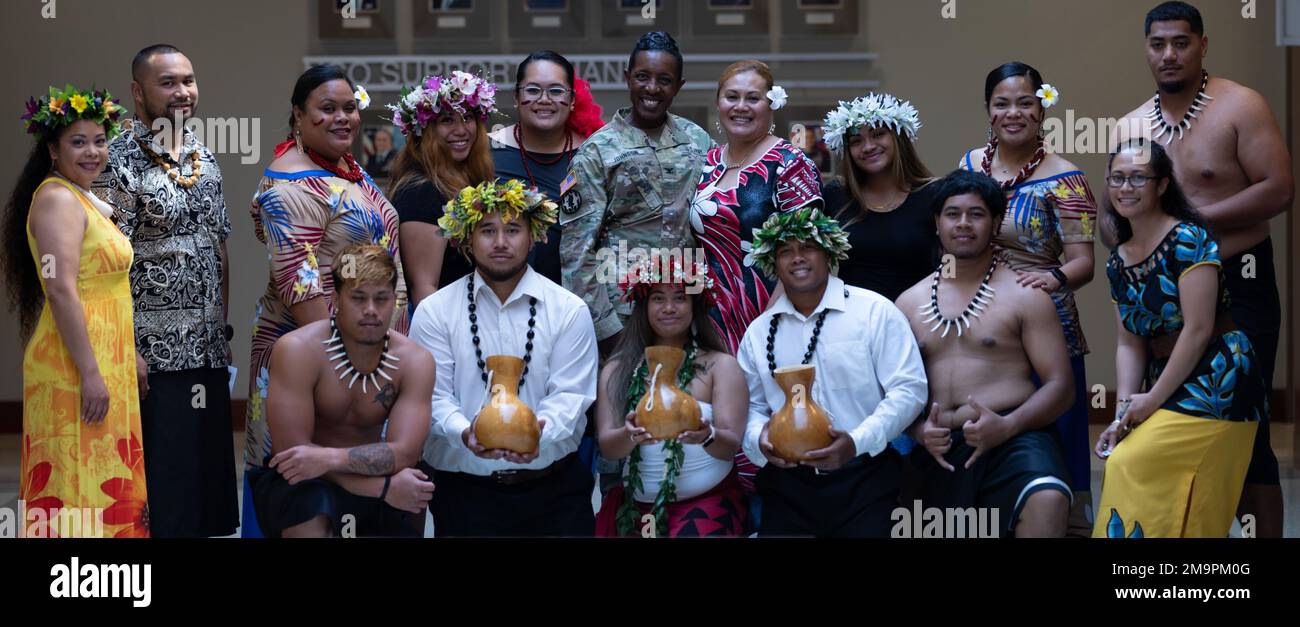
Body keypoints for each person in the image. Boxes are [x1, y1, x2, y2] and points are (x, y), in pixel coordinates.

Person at [1102, 1, 1291, 537]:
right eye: (1158, 44)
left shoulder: (1241, 106)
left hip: (1242, 277)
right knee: (1169, 424)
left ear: (1202, 45)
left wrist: (1186, 227)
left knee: (1245, 430)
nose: (1169, 54)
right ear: (1146, 49)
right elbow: (1112, 219)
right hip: (1161, 292)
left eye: (1181, 42)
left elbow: (1279, 189)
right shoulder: (1132, 125)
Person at [90, 44, 237, 538]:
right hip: (153, 356)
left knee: (205, 490)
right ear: (137, 91)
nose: (183, 92)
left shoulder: (204, 154)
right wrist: (125, 350)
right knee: (164, 492)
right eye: (168, 82)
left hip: (207, 350)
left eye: (188, 80)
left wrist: (223, 329)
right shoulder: (114, 157)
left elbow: (219, 248)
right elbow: (105, 262)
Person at [243, 65, 406, 496]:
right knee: (317, 493)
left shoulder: (341, 166)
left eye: (350, 108)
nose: (343, 118)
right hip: (323, 363)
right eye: (327, 108)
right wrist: (348, 376)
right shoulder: (289, 188)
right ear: (298, 116)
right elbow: (304, 290)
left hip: (368, 351)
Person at [1095, 139, 1265, 537]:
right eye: (1117, 178)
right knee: (1127, 460)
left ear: (1162, 185)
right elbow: (1129, 342)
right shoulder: (1118, 260)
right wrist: (1122, 413)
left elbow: (1199, 327)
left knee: (1130, 463)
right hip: (1167, 376)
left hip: (1218, 375)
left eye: (1138, 177)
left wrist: (1152, 400)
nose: (1125, 187)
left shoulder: (1188, 238)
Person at [410, 179, 598, 536]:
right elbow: (432, 397)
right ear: (466, 238)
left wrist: (533, 437)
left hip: (555, 494)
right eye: (487, 230)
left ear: (533, 237)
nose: (500, 242)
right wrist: (464, 432)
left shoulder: (568, 310)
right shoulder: (435, 312)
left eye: (513, 229)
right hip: (465, 494)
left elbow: (571, 396)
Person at [958, 62, 1097, 532]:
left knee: (1054, 434)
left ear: (1043, 109)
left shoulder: (1067, 177)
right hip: (981, 322)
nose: (1013, 112)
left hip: (1045, 320)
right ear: (988, 111)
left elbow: (1085, 262)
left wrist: (1051, 281)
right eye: (1002, 103)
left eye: (1025, 102)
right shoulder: (969, 165)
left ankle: (1061, 520)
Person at [897, 169, 1074, 538]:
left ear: (995, 223)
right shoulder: (909, 302)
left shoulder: (1026, 295)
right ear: (937, 223)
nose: (964, 223)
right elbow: (891, 390)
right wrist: (917, 431)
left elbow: (1061, 387)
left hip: (1014, 436)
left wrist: (1008, 425)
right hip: (939, 445)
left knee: (1047, 498)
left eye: (976, 214)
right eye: (953, 213)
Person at [5, 85, 149, 537]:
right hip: (75, 364)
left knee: (105, 477)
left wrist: (130, 356)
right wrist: (90, 372)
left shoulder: (81, 197)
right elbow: (62, 290)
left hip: (106, 358)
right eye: (78, 142)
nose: (93, 151)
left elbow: (107, 288)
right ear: (52, 149)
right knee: (76, 484)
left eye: (99, 140)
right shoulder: (57, 200)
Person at [738, 208, 927, 537]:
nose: (797, 258)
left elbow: (908, 391)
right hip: (787, 486)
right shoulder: (758, 332)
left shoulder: (874, 311)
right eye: (785, 251)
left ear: (828, 253)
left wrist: (855, 442)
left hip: (864, 478)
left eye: (807, 247)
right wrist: (760, 439)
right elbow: (749, 407)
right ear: (773, 263)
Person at [252, 244, 435, 538]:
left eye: (381, 299)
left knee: (412, 489)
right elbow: (292, 457)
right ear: (336, 299)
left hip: (366, 473)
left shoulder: (414, 361)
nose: (371, 311)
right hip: (301, 483)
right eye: (358, 298)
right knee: (312, 506)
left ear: (395, 300)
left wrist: (328, 458)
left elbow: (405, 453)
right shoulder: (298, 350)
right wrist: (382, 489)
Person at [560, 31, 713, 353]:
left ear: (678, 86)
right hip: (622, 313)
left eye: (664, 80)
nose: (652, 88)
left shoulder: (698, 141)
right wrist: (607, 331)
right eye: (642, 77)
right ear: (627, 78)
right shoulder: (596, 152)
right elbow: (577, 253)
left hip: (688, 310)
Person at [593, 257, 748, 537]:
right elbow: (608, 447)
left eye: (680, 298)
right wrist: (630, 435)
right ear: (644, 306)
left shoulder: (719, 366)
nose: (668, 308)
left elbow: (730, 446)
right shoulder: (618, 369)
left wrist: (706, 434)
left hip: (707, 505)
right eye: (658, 298)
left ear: (694, 306)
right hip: (635, 510)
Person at [690, 60, 823, 353]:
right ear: (718, 103)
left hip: (772, 316)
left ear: (771, 105)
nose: (741, 106)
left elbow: (806, 254)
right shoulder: (706, 162)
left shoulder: (790, 163)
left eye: (753, 98)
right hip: (707, 318)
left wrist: (768, 326)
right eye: (732, 97)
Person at [490, 50, 604, 285]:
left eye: (556, 91)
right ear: (515, 97)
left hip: (583, 301)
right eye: (532, 90)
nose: (544, 99)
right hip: (501, 296)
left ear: (572, 100)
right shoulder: (485, 150)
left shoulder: (597, 154)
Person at [387, 71, 496, 307]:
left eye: (467, 118)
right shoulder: (421, 192)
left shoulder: (468, 178)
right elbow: (424, 288)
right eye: (447, 120)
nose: (461, 130)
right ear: (425, 130)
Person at [820, 92, 938, 302]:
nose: (868, 147)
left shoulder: (934, 193)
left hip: (919, 320)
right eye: (856, 140)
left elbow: (954, 262)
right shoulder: (836, 195)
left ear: (898, 136)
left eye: (877, 134)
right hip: (854, 321)